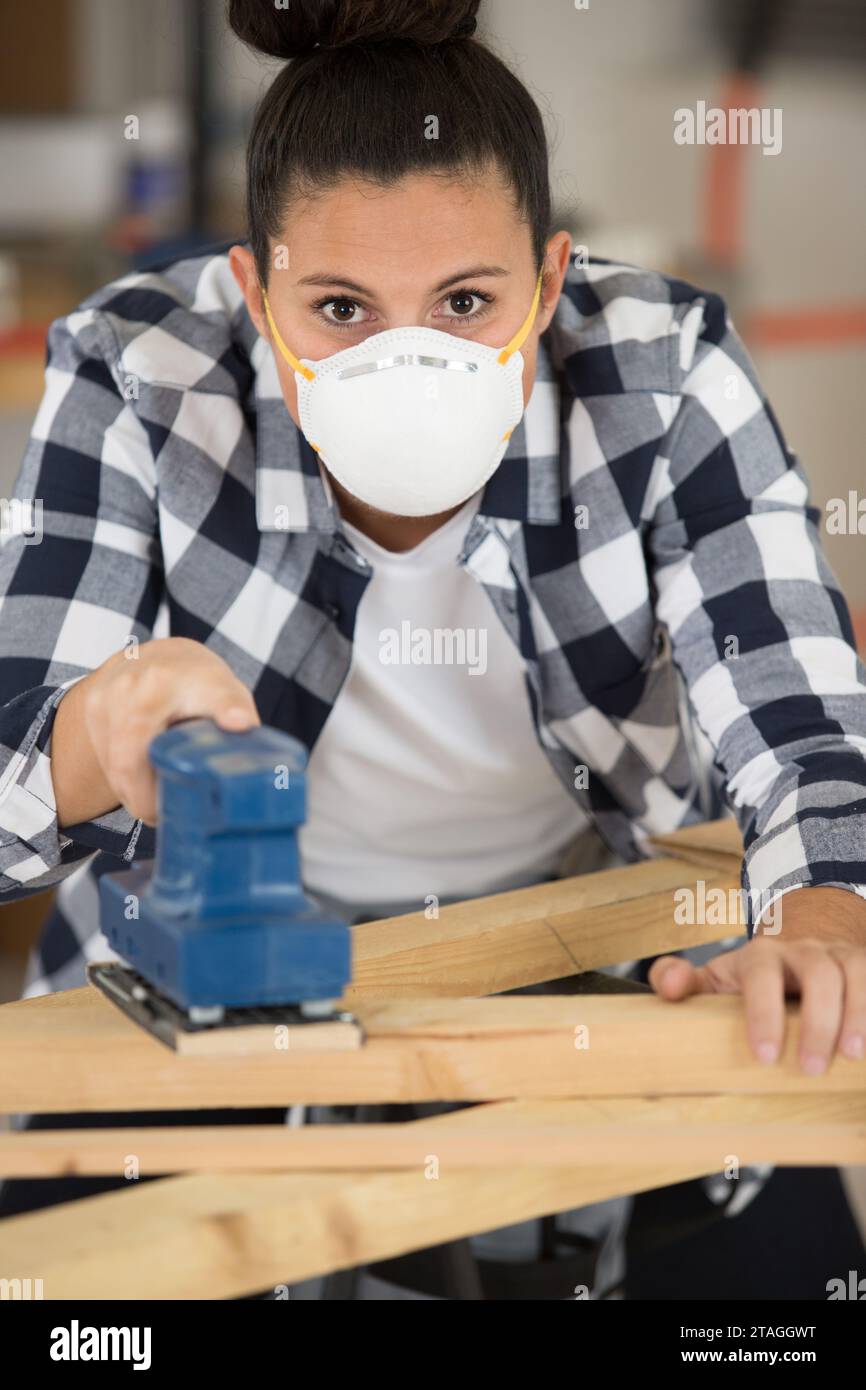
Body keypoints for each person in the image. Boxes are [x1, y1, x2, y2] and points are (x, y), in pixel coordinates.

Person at [0, 0, 864, 1297]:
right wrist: (91, 735)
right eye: (340, 307)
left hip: (600, 944)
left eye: (465, 301)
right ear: (255, 294)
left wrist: (824, 922)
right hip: (197, 988)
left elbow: (800, 722)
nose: (407, 361)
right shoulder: (138, 369)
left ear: (550, 282)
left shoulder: (663, 369)